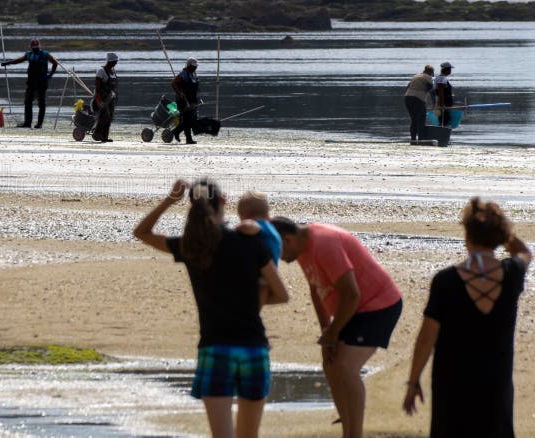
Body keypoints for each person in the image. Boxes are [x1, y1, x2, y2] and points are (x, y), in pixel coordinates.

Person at [134, 178, 288, 438]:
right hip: (253, 347)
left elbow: (142, 232)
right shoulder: (251, 241)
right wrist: (249, 302)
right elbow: (281, 295)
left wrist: (170, 200)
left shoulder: (191, 246)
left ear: (192, 205)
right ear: (224, 201)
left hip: (214, 348)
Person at [403, 198, 531, 438]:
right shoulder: (512, 274)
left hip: (452, 386)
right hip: (496, 384)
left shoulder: (445, 281)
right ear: (498, 235)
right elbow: (524, 251)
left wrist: (413, 382)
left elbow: (426, 338)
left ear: (467, 234)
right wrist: (503, 234)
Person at [270, 217, 402, 438]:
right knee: (331, 365)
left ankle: (354, 434)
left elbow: (351, 293)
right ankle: (347, 431)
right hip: (351, 309)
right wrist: (326, 332)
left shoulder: (323, 244)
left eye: (277, 250)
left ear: (287, 239)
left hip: (378, 305)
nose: (279, 259)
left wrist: (333, 333)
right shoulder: (302, 248)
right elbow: (316, 290)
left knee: (346, 367)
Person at [237, 191, 283, 308]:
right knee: (260, 295)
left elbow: (250, 226)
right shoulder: (271, 228)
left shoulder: (258, 224)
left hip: (261, 269)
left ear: (244, 215)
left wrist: (235, 230)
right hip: (271, 269)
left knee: (257, 294)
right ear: (268, 213)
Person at [1, 37, 58, 128]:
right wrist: (7, 63)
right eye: (34, 47)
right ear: (31, 47)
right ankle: (27, 123)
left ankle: (39, 124)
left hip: (42, 82)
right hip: (31, 82)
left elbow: (55, 63)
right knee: (28, 102)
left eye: (37, 47)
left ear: (39, 46)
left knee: (41, 103)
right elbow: (17, 61)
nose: (35, 49)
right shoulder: (29, 55)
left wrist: (50, 75)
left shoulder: (45, 54)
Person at [171, 57, 201, 144]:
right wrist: (180, 93)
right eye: (193, 66)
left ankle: (186, 138)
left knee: (190, 119)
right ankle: (176, 132)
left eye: (196, 67)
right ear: (189, 66)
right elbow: (173, 83)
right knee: (188, 120)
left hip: (192, 100)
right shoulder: (183, 74)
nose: (195, 68)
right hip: (183, 101)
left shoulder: (193, 74)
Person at [92, 52, 118, 142]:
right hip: (101, 98)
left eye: (116, 62)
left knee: (110, 117)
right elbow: (97, 88)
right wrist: (98, 100)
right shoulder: (101, 71)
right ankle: (96, 134)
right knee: (105, 116)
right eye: (114, 62)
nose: (115, 63)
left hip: (110, 98)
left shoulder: (113, 71)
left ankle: (104, 137)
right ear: (109, 62)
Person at [404, 64, 434, 142]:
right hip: (418, 99)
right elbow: (431, 91)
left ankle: (413, 139)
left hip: (407, 98)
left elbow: (408, 87)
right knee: (421, 119)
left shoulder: (416, 76)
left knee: (414, 119)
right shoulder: (428, 78)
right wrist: (434, 103)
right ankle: (421, 139)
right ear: (431, 72)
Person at [434, 62, 454, 127]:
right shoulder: (442, 78)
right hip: (444, 103)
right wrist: (442, 105)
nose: (450, 71)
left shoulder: (441, 78)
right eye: (450, 69)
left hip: (445, 103)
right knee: (444, 120)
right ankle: (443, 132)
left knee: (444, 120)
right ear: (447, 69)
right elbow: (440, 92)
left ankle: (443, 130)